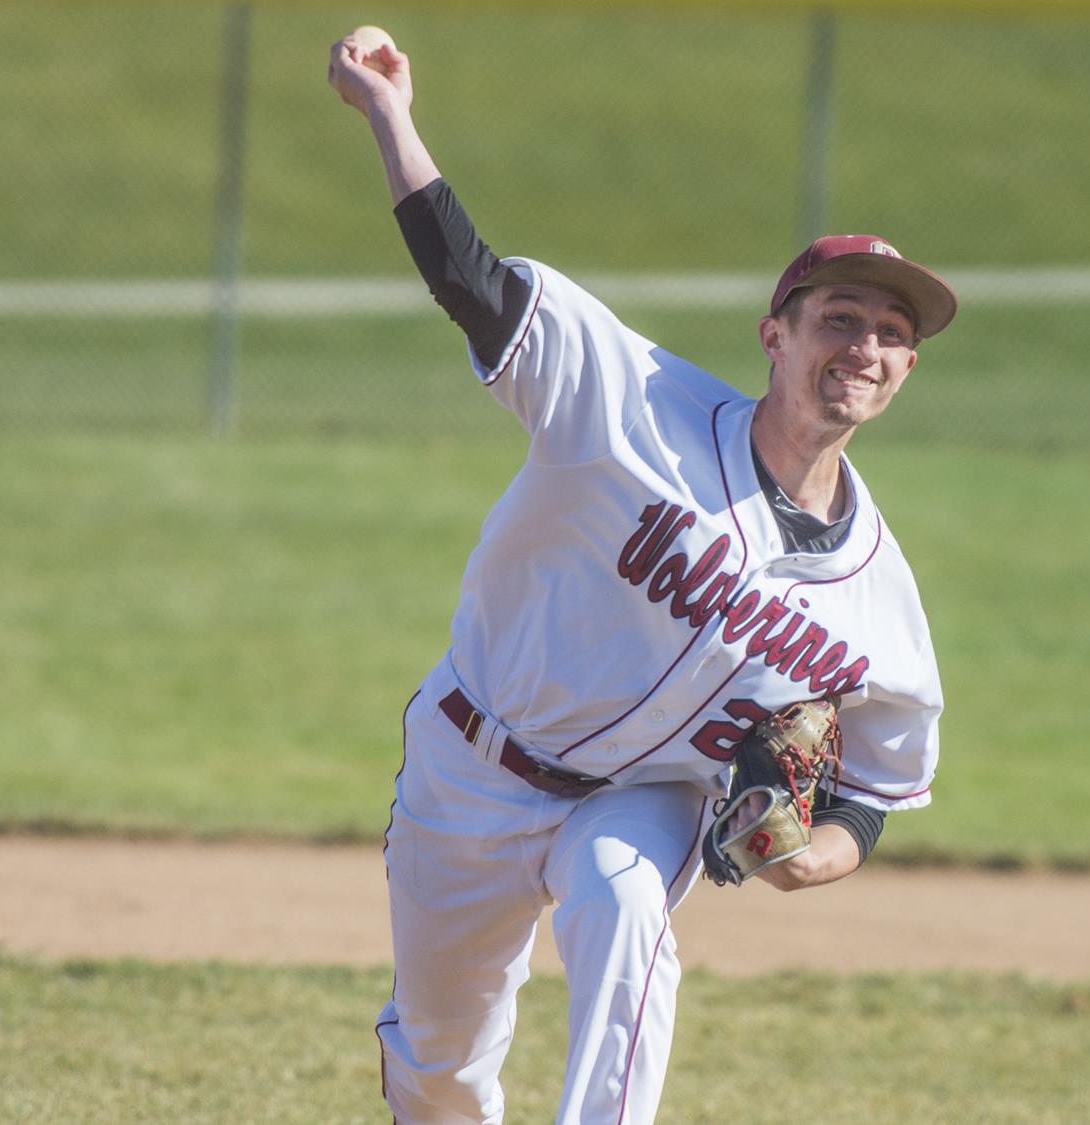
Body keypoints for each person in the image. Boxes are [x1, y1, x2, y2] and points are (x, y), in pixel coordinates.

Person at [327, 29, 953, 1124]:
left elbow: (871, 787)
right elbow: (471, 285)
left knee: (624, 912)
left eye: (890, 333)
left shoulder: (878, 601)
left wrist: (813, 861)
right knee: (440, 1060)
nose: (863, 345)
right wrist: (390, 117)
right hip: (470, 763)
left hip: (640, 797)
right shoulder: (631, 400)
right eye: (838, 318)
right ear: (776, 334)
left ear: (903, 373)